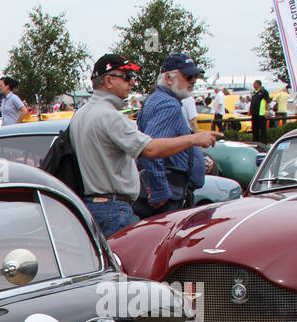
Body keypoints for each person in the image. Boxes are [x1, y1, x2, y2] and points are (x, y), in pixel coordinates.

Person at [70, 54, 219, 237]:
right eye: (127, 77)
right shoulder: (109, 116)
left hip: (98, 205)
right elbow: (149, 149)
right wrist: (194, 139)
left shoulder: (83, 112)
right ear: (109, 80)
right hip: (113, 209)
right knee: (132, 263)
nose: (132, 82)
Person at [135, 54, 209, 218]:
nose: (193, 81)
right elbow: (151, 149)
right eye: (188, 76)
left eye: (195, 76)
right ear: (168, 78)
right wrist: (159, 190)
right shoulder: (168, 105)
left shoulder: (156, 100)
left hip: (171, 189)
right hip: (170, 195)